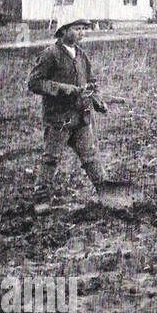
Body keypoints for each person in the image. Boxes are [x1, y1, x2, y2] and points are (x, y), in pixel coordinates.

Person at [27, 19, 109, 212]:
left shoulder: (81, 55)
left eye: (83, 29)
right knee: (51, 159)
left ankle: (106, 192)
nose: (82, 33)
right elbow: (35, 83)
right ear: (63, 31)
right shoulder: (50, 54)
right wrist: (63, 89)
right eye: (77, 29)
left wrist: (97, 100)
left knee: (90, 157)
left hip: (81, 118)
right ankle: (42, 200)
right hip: (59, 120)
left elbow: (91, 83)